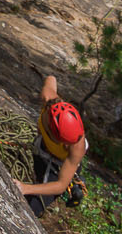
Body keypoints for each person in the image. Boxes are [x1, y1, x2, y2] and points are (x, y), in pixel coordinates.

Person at [20, 76, 88, 215]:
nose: (66, 145)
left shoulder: (77, 147)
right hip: (41, 149)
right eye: (63, 141)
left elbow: (60, 185)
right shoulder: (48, 99)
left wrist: (26, 188)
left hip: (59, 166)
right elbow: (51, 78)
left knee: (32, 209)